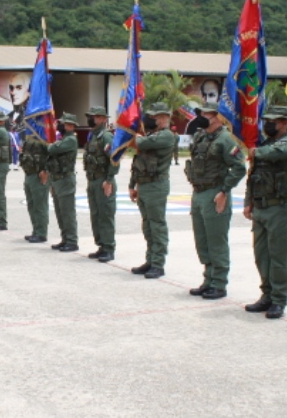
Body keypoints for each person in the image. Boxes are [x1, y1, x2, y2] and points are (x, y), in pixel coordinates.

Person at [242, 105, 287, 319]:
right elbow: (253, 175)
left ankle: (279, 299)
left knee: (278, 256)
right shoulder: (264, 144)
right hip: (261, 206)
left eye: (273, 121)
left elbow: (277, 153)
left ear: (285, 123)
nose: (268, 125)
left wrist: (256, 152)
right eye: (266, 120)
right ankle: (266, 294)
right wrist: (249, 201)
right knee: (262, 255)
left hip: (279, 207)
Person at [184, 102, 246, 300]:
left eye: (207, 114)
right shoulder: (201, 135)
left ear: (219, 118)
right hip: (199, 192)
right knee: (202, 240)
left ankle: (219, 283)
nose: (202, 117)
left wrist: (224, 190)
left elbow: (239, 167)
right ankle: (208, 279)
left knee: (216, 240)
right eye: (201, 113)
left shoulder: (226, 139)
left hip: (215, 193)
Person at [128, 102, 176, 279]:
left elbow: (140, 142)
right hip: (144, 184)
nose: (150, 119)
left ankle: (158, 263)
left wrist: (132, 134)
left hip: (156, 186)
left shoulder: (166, 136)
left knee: (157, 225)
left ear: (164, 118)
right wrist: (133, 184)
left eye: (154, 117)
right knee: (148, 225)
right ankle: (150, 260)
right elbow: (138, 161)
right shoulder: (150, 135)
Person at [83, 106, 118, 261]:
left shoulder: (106, 137)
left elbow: (114, 160)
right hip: (92, 180)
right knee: (96, 215)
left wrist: (109, 180)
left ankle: (109, 248)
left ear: (104, 119)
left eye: (96, 117)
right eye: (91, 116)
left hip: (103, 181)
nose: (92, 119)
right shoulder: (92, 136)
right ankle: (101, 245)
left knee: (105, 215)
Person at [45, 113, 80, 251]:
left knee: (67, 212)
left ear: (71, 126)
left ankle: (72, 241)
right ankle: (65, 238)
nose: (61, 126)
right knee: (60, 211)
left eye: (64, 124)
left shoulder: (70, 140)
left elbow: (52, 149)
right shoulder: (63, 139)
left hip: (65, 179)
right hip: (57, 178)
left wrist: (52, 145)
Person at [20, 133, 50, 243]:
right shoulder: (29, 138)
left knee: (40, 206)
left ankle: (41, 233)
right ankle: (36, 230)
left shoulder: (43, 136)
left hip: (39, 175)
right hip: (29, 174)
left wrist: (46, 170)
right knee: (32, 205)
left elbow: (51, 155)